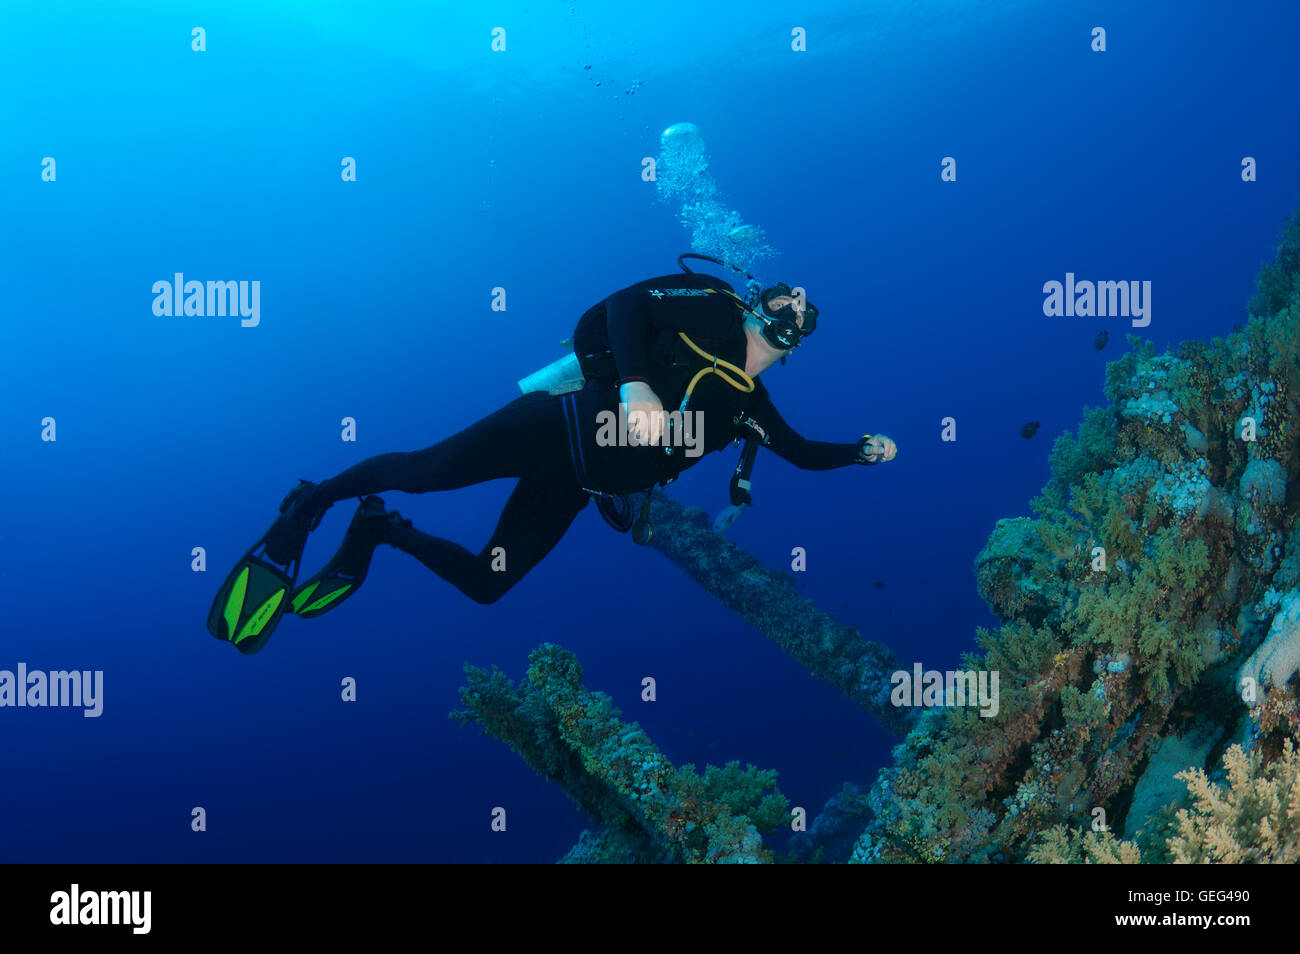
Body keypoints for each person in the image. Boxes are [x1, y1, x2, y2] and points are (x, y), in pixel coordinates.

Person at [207, 262, 897, 653]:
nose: (793, 305)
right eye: (786, 295)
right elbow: (625, 305)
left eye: (803, 310)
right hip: (552, 425)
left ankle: (381, 532)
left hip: (573, 483)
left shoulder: (751, 405)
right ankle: (313, 501)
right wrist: (633, 385)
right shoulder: (712, 310)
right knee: (424, 471)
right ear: (759, 302)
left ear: (799, 339)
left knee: (487, 583)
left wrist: (861, 452)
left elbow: (801, 453)